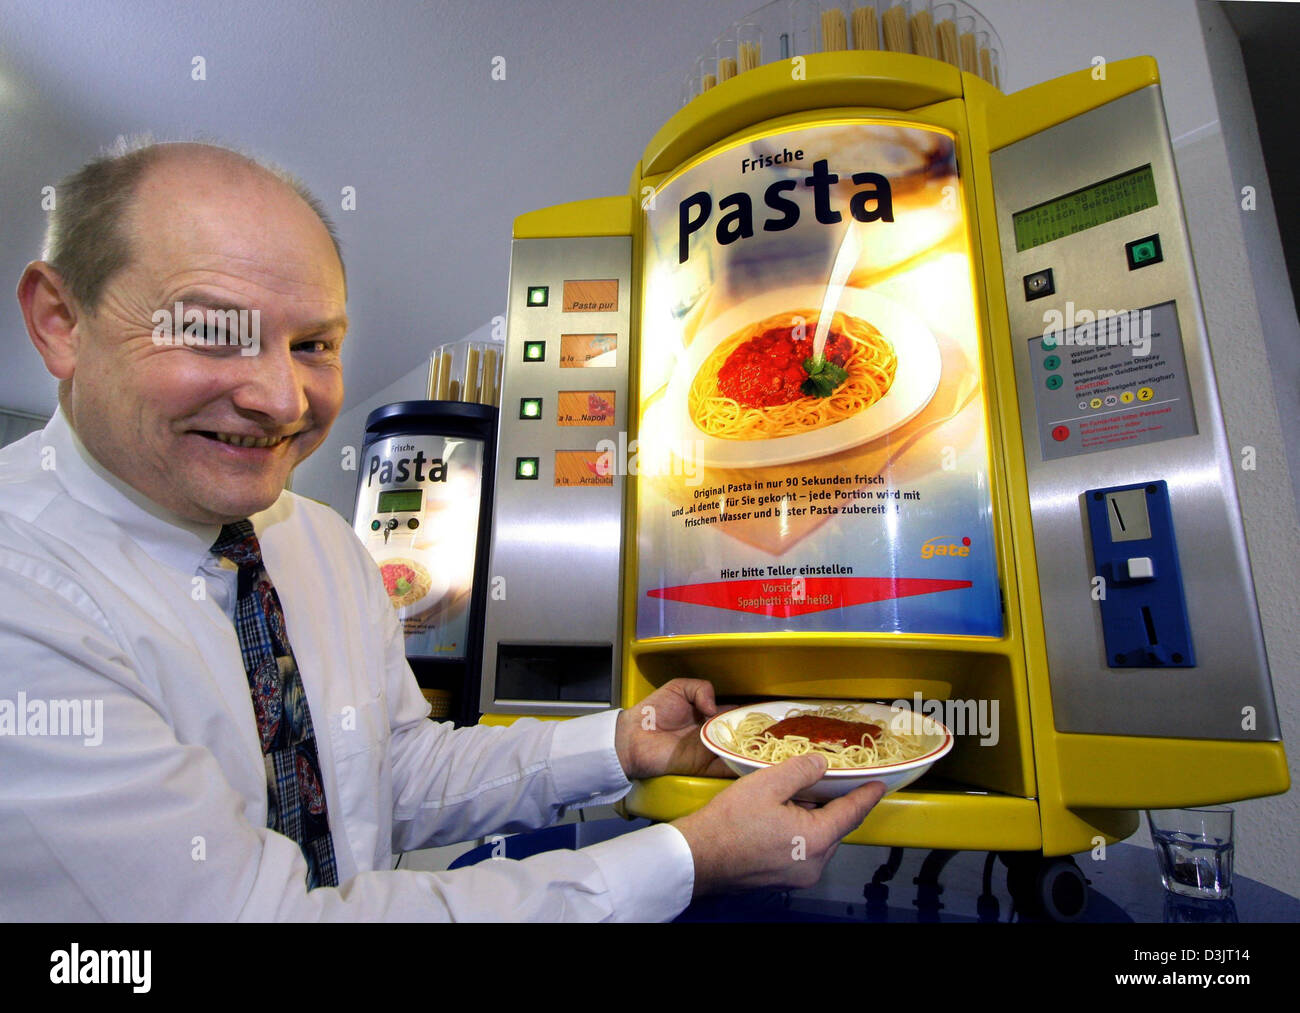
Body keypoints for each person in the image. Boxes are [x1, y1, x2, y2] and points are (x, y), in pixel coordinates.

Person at [0, 140, 886, 920]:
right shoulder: (24, 591)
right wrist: (687, 860)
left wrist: (620, 743)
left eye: (313, 344)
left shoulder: (315, 542)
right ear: (59, 322)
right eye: (210, 330)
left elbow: (391, 769)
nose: (279, 399)